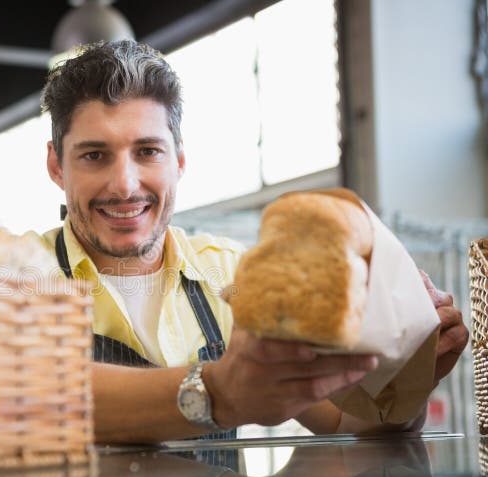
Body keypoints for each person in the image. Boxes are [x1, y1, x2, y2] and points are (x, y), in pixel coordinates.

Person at [37, 39, 470, 444]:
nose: (125, 185)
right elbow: (28, 398)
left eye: (148, 151)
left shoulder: (234, 277)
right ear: (56, 166)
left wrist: (410, 376)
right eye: (94, 155)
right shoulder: (14, 275)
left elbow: (342, 426)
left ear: (180, 159)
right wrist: (220, 392)